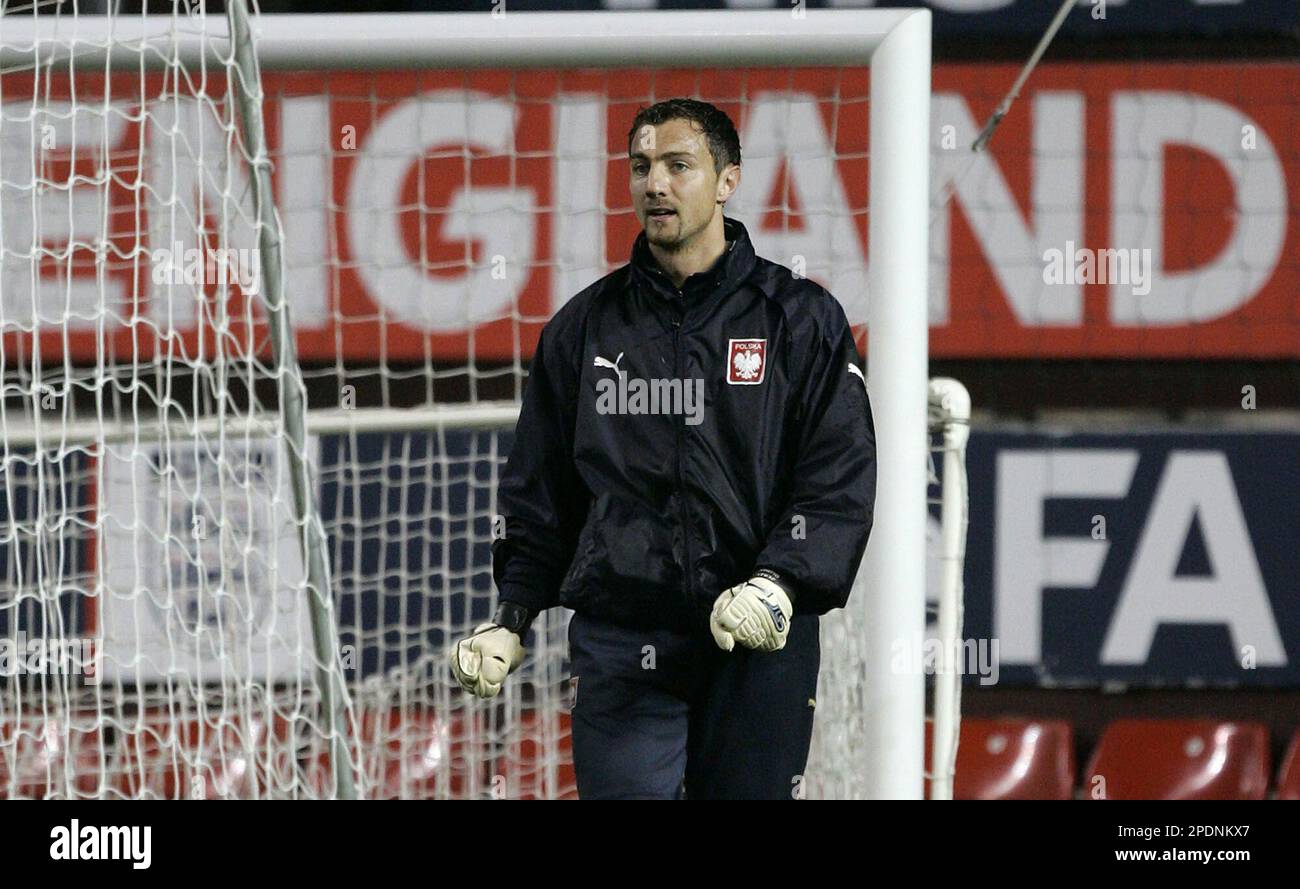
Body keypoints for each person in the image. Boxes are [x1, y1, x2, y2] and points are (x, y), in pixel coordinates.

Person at [450, 97, 876, 800]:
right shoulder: (580, 330)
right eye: (641, 166)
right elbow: (539, 493)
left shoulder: (799, 320)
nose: (656, 183)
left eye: (679, 165)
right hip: (620, 644)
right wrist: (512, 617)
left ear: (727, 179)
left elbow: (839, 472)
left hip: (757, 645)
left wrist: (782, 582)